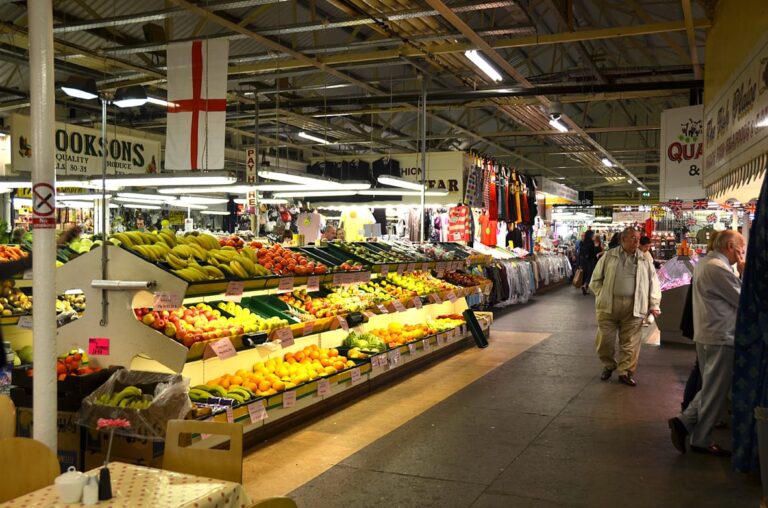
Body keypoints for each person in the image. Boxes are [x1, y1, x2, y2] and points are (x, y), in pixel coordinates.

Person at [668, 230, 746, 456]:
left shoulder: (706, 263)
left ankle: (689, 427)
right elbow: (743, 299)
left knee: (712, 388)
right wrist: (744, 273)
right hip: (720, 336)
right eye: (740, 250)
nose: (740, 255)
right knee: (714, 390)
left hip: (708, 333)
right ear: (730, 246)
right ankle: (695, 434)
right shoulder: (718, 268)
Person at [590, 227, 662, 386]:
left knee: (630, 343)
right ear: (622, 240)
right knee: (605, 341)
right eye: (632, 238)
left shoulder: (644, 259)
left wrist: (654, 303)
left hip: (634, 306)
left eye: (638, 238)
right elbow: (595, 280)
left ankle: (625, 372)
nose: (637, 241)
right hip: (609, 305)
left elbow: (653, 283)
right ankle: (609, 364)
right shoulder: (609, 256)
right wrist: (601, 294)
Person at [578, 230, 600, 295]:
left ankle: (584, 287)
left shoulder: (582, 242)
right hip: (590, 260)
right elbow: (594, 252)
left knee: (584, 273)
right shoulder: (592, 243)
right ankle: (585, 285)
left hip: (582, 260)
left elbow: (580, 252)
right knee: (590, 273)